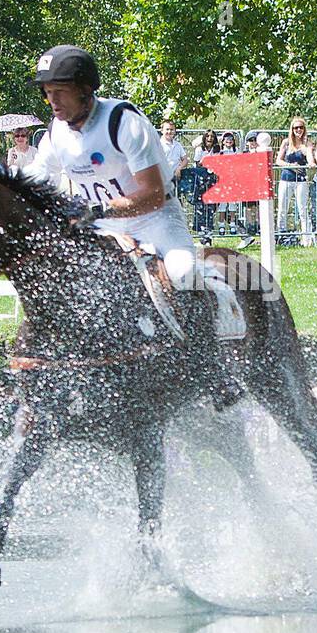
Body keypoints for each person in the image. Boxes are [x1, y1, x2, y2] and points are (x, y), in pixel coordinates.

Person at [21, 43, 242, 409]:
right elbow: (34, 180)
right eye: (47, 93)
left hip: (155, 220)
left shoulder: (123, 123)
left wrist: (96, 208)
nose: (52, 102)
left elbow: (153, 194)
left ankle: (212, 369)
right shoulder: (56, 134)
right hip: (105, 227)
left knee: (183, 272)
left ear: (84, 88)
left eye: (59, 92)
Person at [276, 117, 314, 245]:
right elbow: (278, 161)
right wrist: (291, 165)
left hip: (301, 181)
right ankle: (281, 235)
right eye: (296, 127)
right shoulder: (286, 143)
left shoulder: (307, 143)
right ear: (292, 129)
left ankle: (307, 239)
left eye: (301, 127)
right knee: (282, 208)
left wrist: (311, 162)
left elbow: (310, 158)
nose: (298, 130)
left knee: (302, 209)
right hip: (286, 179)